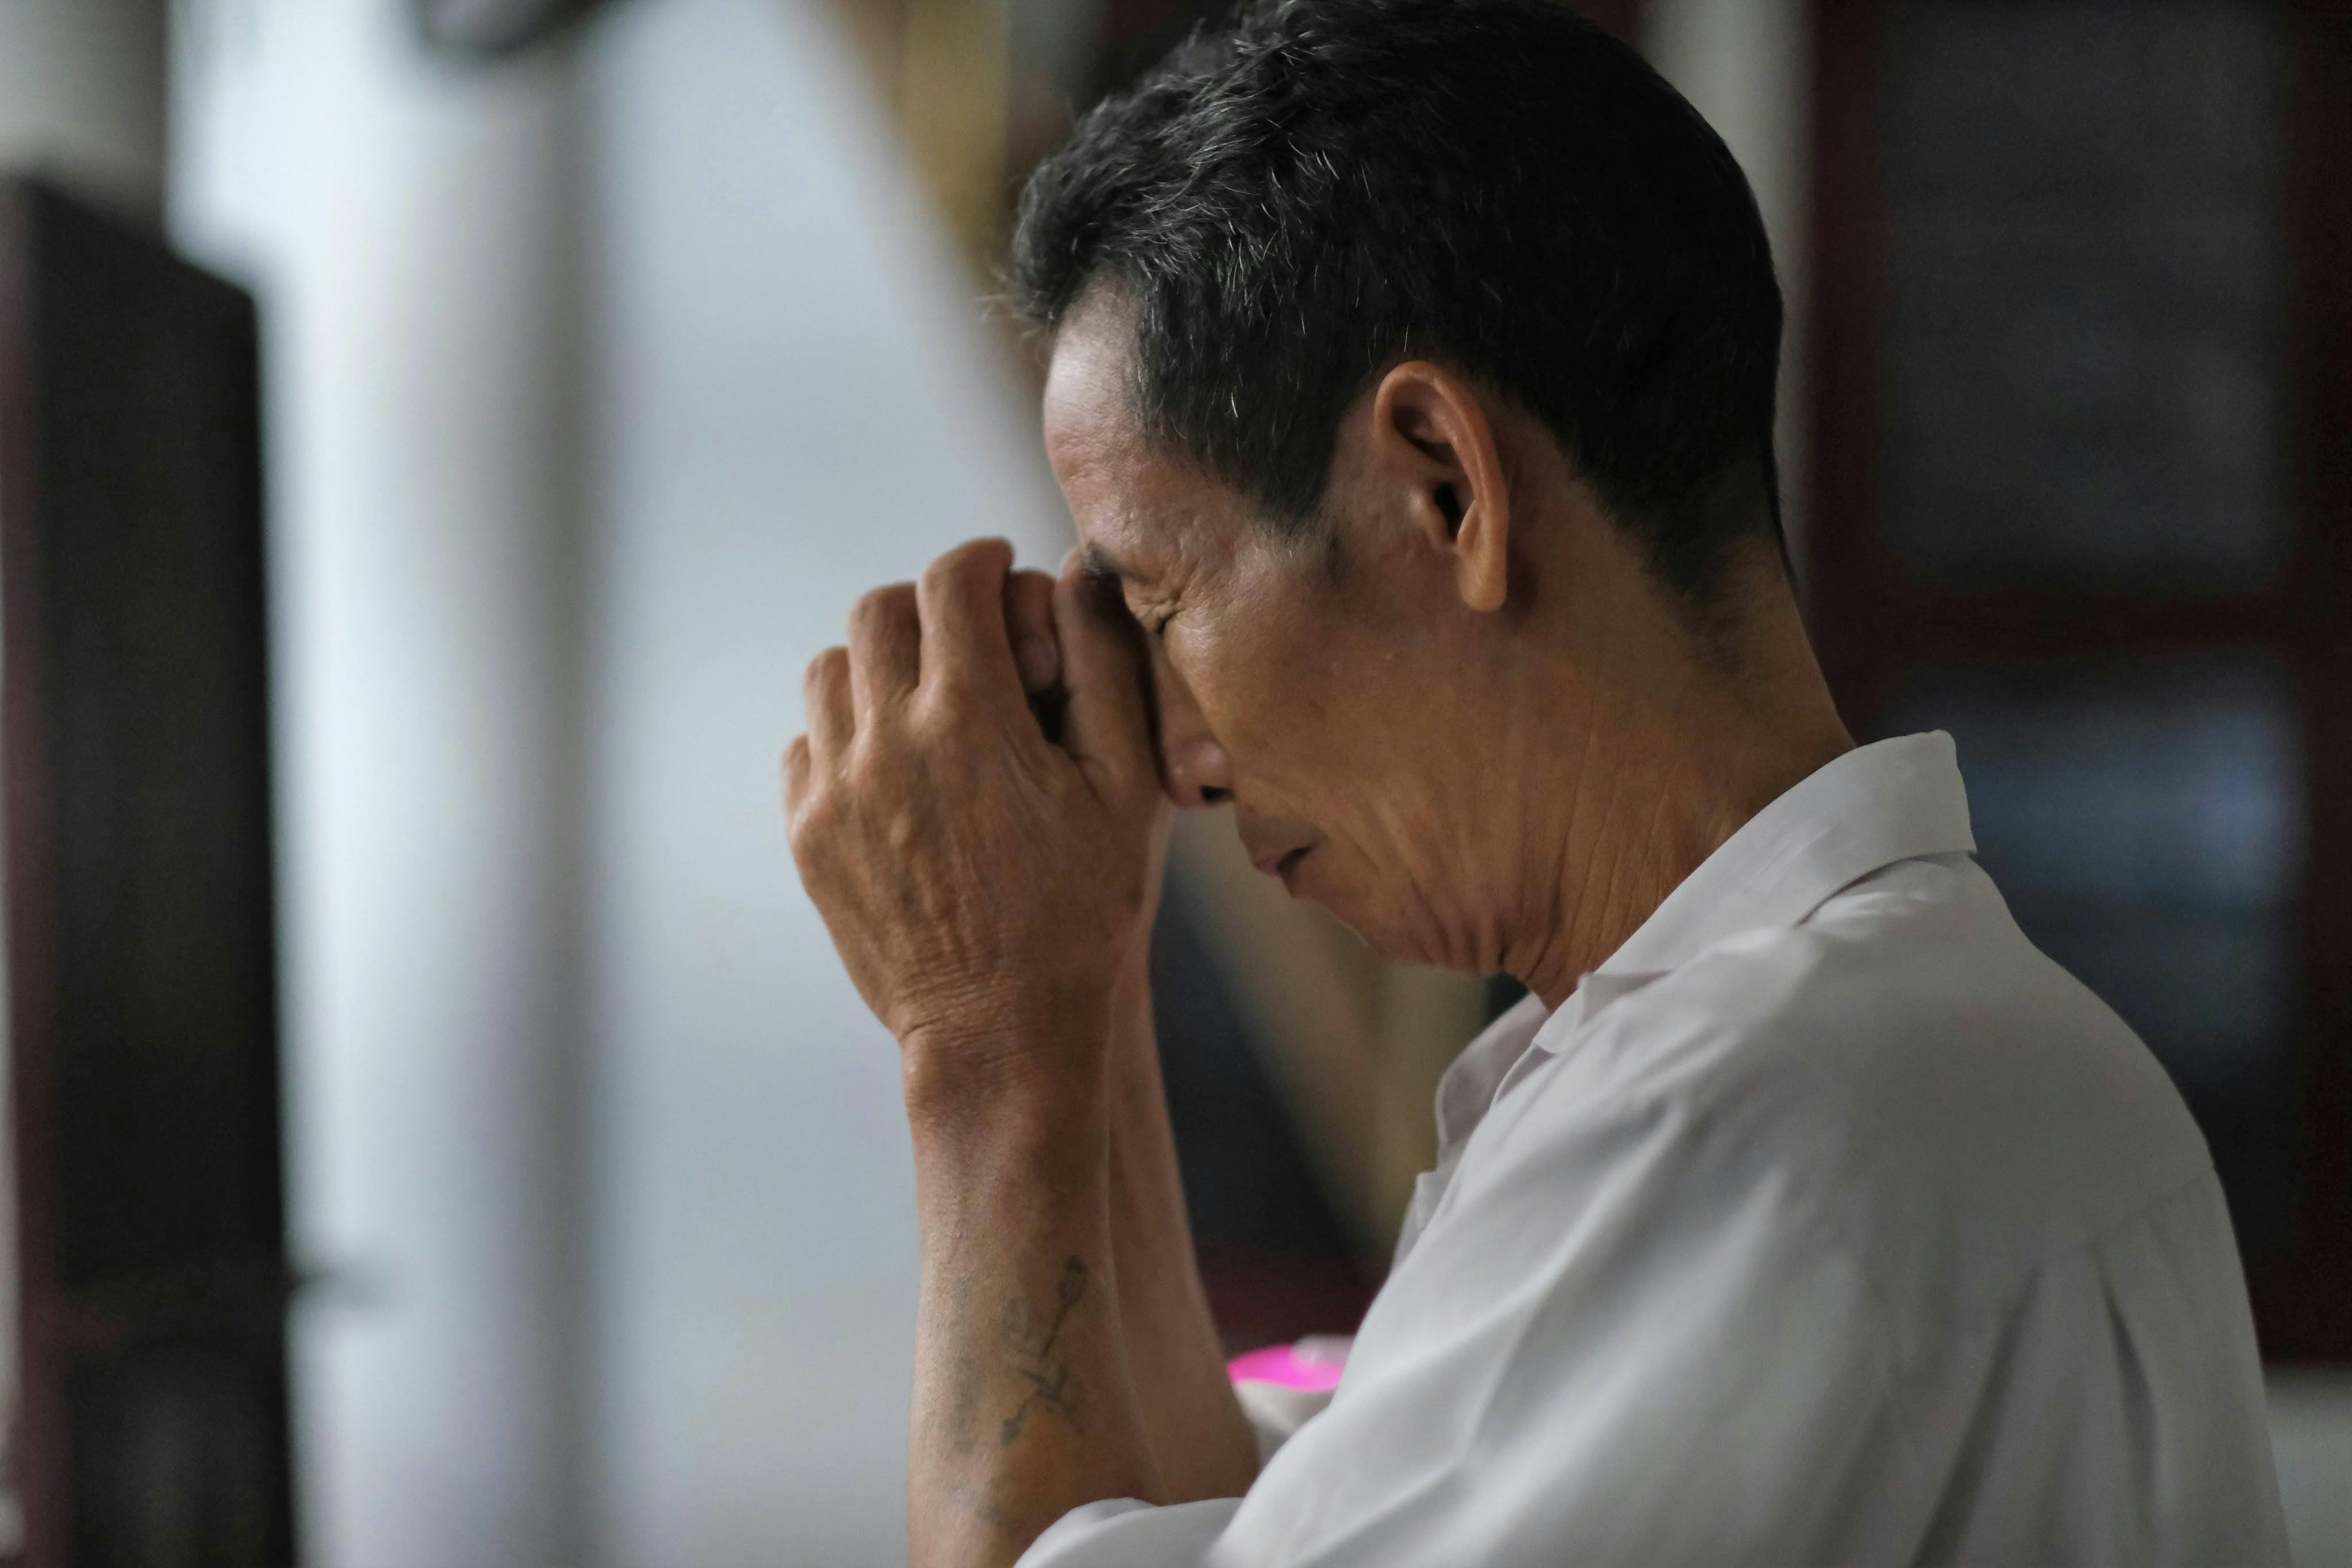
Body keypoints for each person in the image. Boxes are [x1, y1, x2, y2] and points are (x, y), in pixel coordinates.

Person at [781, 2, 2289, 1563]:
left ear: (1443, 488)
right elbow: (1214, 1519)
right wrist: (1073, 979)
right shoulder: (1865, 1056)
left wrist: (979, 1046)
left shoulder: (1753, 1127)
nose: (1169, 755)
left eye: (1158, 604)